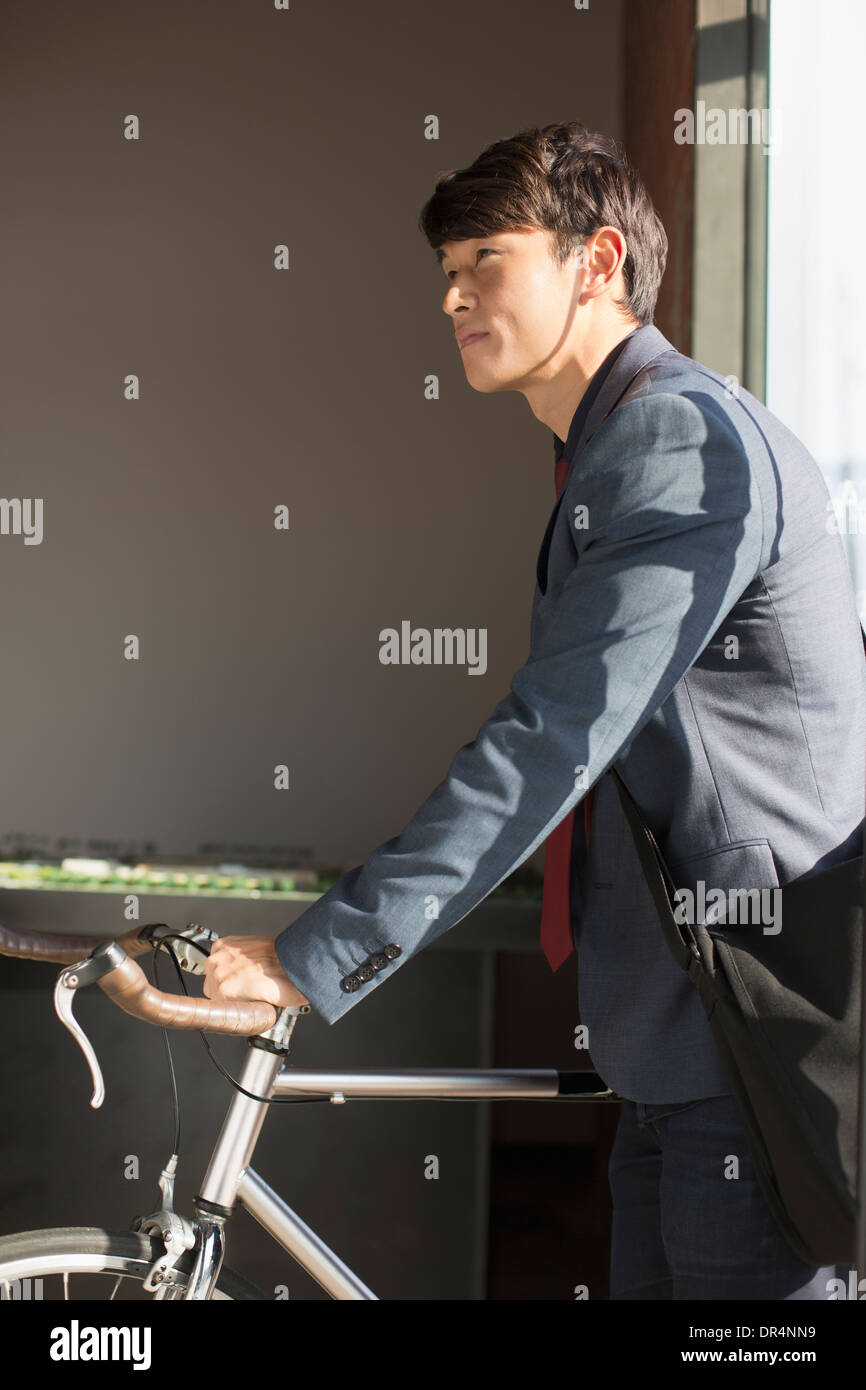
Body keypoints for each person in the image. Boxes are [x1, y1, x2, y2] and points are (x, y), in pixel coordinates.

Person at [202, 122, 866, 1299]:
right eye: (444, 274)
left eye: (483, 262)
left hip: (749, 1046)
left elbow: (551, 739)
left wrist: (316, 956)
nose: (452, 295)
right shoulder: (607, 450)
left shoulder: (677, 441)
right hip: (677, 1047)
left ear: (595, 261)